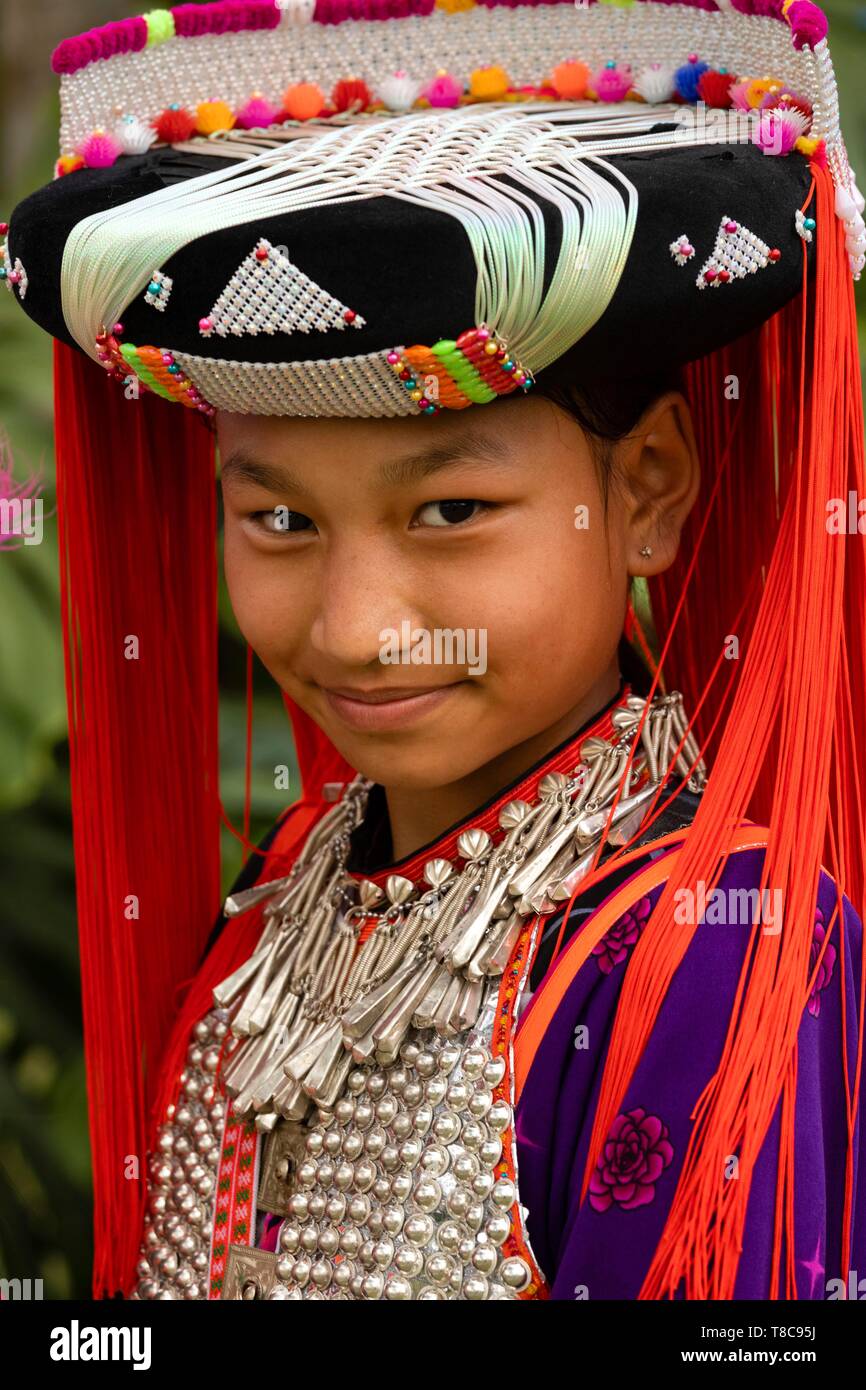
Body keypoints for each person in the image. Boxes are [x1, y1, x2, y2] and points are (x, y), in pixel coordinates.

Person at [5, 0, 865, 1302]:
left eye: (449, 511)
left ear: (644, 490)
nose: (355, 626)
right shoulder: (290, 888)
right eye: (278, 517)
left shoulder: (701, 945)